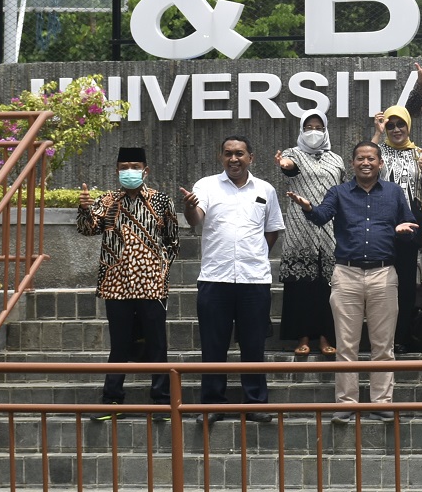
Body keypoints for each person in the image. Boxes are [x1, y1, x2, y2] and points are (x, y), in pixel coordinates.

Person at [288, 141, 420, 423]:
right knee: (347, 345)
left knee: (383, 346)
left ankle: (381, 402)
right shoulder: (339, 192)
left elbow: (410, 226)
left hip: (383, 274)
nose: (365, 163)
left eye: (371, 158)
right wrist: (308, 207)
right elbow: (322, 216)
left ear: (380, 163)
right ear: (352, 163)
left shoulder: (394, 193)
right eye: (360, 158)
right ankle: (347, 403)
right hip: (346, 274)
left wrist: (403, 231)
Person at [182, 136, 285, 422]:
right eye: (228, 154)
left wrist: (256, 253)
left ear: (251, 157)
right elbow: (195, 218)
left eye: (239, 153)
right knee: (213, 345)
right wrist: (189, 206)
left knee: (254, 345)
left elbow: (272, 229)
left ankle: (256, 404)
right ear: (221, 157)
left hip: (254, 280)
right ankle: (212, 404)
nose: (233, 159)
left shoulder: (265, 189)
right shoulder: (206, 186)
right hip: (216, 278)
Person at [76, 146, 180, 418]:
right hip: (116, 284)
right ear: (117, 171)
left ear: (146, 170)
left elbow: (172, 241)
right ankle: (112, 400)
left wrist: (160, 270)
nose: (129, 172)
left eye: (135, 167)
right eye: (124, 168)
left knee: (157, 344)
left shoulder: (162, 201)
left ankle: (162, 400)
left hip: (152, 285)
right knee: (119, 344)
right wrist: (85, 209)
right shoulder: (107, 200)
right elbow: (88, 229)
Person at [273, 111, 345, 357]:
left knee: (327, 285)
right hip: (300, 227)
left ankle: (326, 336)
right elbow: (290, 168)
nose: (313, 131)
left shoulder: (336, 159)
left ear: (326, 130)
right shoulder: (293, 154)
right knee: (301, 286)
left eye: (318, 127)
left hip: (329, 226)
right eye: (308, 127)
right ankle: (302, 336)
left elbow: (342, 188)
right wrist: (285, 165)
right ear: (301, 130)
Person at [373, 105, 422, 354]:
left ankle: (401, 338)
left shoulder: (420, 153)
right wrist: (377, 133)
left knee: (406, 285)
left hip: (411, 226)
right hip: (381, 225)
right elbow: (364, 163)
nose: (396, 130)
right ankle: (381, 338)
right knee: (381, 285)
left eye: (401, 124)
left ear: (409, 126)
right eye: (391, 125)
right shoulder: (378, 151)